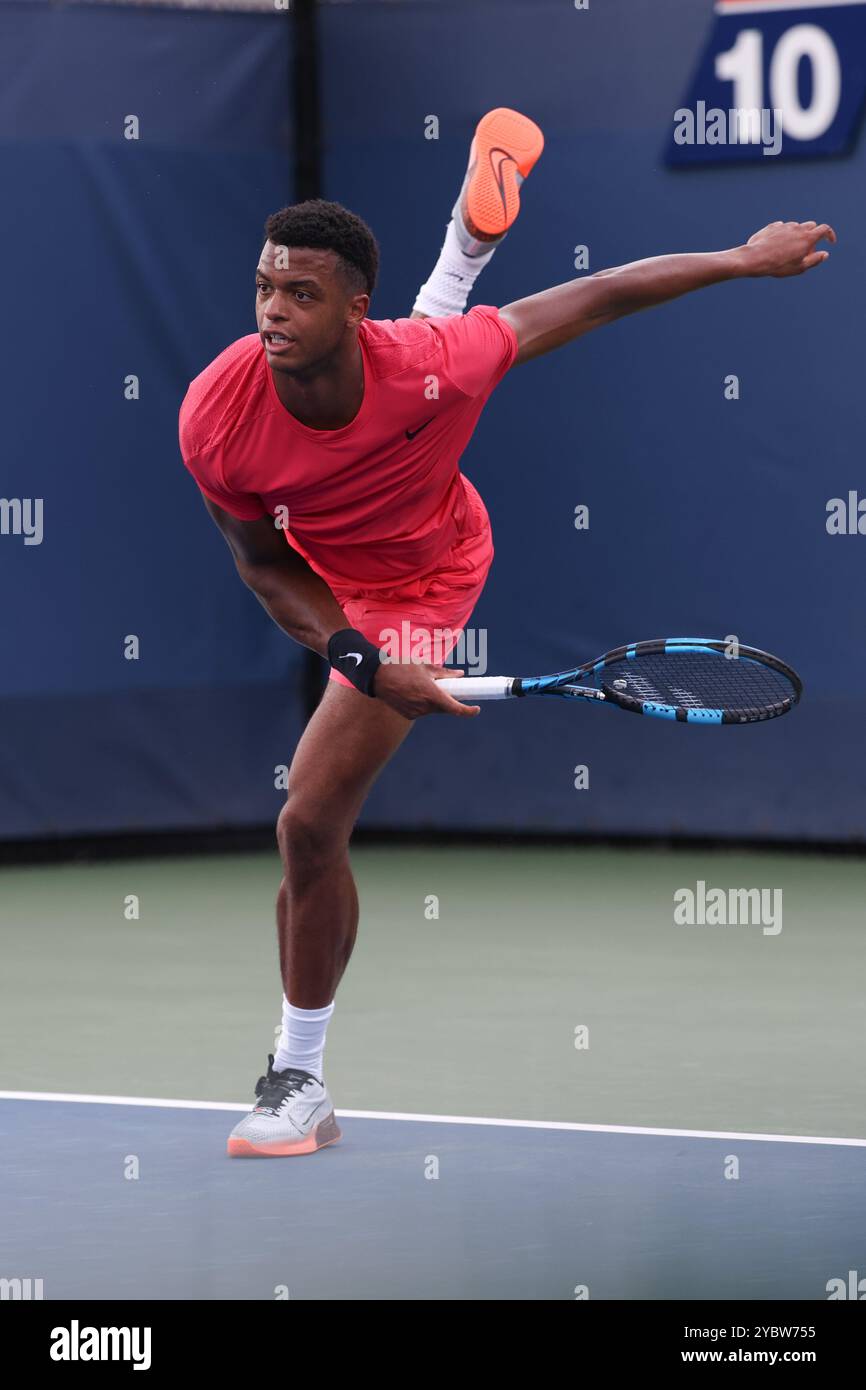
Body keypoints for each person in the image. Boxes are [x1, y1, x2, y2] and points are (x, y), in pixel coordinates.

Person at [178, 108, 834, 1157]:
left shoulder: (430, 360)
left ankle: (297, 1078)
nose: (273, 310)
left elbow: (597, 294)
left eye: (302, 294)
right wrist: (359, 661)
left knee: (306, 825)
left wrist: (741, 259)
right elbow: (262, 564)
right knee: (421, 364)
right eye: (264, 286)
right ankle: (464, 243)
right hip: (341, 563)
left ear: (351, 307)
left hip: (426, 565)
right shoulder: (216, 412)